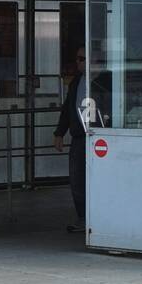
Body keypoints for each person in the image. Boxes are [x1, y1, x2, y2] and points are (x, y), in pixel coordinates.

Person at [53, 48, 88, 233]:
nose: (78, 62)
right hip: (79, 138)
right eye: (77, 58)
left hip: (99, 136)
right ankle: (83, 217)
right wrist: (60, 133)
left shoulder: (105, 81)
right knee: (77, 178)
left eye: (81, 58)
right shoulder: (76, 81)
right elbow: (68, 108)